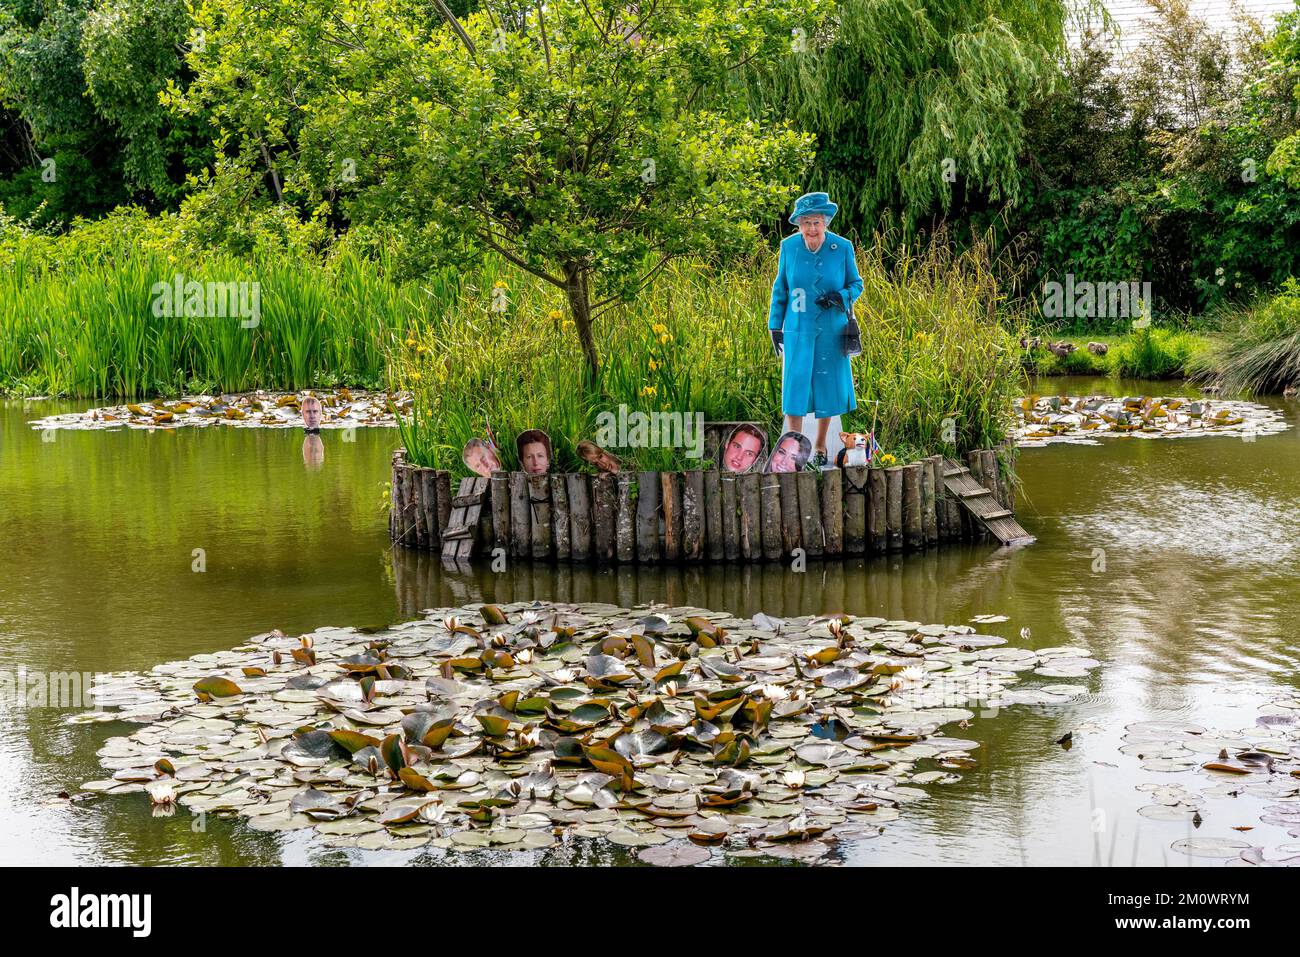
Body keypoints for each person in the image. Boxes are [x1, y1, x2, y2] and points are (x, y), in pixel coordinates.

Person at [767, 192, 864, 468]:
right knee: (795, 387)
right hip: (797, 327)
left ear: (826, 223)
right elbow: (780, 289)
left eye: (817, 222)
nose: (812, 228)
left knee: (827, 385)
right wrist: (775, 325)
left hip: (832, 328)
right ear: (799, 224)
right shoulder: (788, 248)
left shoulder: (842, 248)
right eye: (807, 222)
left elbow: (857, 284)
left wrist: (840, 297)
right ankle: (795, 444)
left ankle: (821, 444)